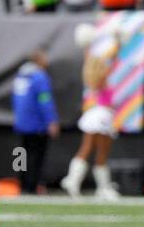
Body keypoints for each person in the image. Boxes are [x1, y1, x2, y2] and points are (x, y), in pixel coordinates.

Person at [61, 24, 120, 200]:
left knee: (87, 149)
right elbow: (113, 59)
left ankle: (74, 180)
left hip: (96, 115)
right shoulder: (101, 79)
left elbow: (93, 59)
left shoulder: (92, 76)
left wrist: (87, 46)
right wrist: (118, 42)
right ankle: (101, 187)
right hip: (102, 116)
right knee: (101, 152)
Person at [11, 50, 59, 194]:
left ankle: (22, 184)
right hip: (36, 123)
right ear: (39, 60)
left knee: (22, 155)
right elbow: (45, 101)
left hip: (21, 122)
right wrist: (51, 121)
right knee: (36, 156)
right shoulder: (39, 77)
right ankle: (31, 186)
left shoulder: (20, 76)